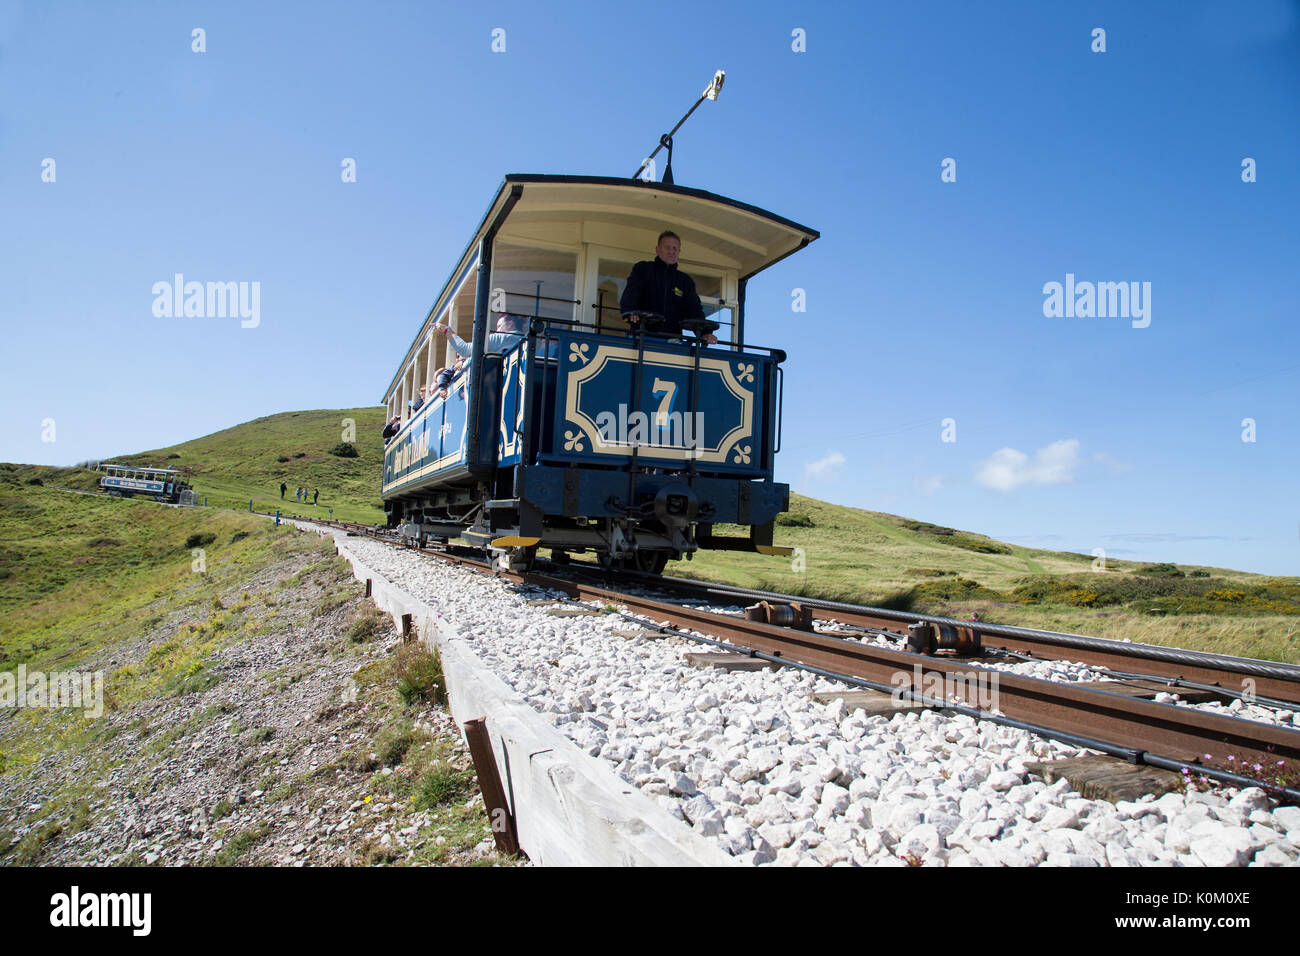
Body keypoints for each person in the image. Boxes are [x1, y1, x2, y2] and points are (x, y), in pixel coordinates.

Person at [620, 231, 719, 344]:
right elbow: (630, 297)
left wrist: (705, 333)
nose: (671, 252)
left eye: (675, 248)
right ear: (657, 250)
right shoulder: (643, 269)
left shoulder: (685, 281)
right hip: (642, 338)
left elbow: (694, 311)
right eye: (667, 247)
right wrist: (632, 313)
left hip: (672, 342)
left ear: (679, 252)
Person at [441, 314, 526, 359]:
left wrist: (447, 331)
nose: (497, 331)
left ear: (510, 323)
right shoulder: (527, 340)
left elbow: (464, 350)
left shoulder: (499, 338)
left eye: (499, 326)